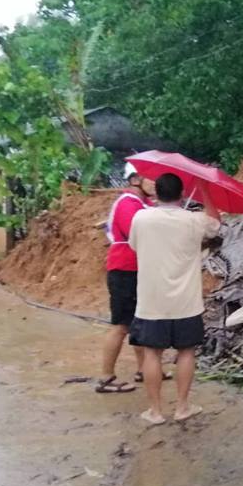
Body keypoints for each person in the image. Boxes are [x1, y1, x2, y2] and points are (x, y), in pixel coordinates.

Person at [128, 172, 220, 424]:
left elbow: (134, 246)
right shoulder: (194, 221)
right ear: (181, 194)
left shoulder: (141, 217)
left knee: (152, 354)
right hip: (186, 302)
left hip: (151, 301)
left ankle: (155, 411)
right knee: (186, 352)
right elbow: (216, 223)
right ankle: (182, 408)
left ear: (156, 192)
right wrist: (204, 190)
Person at [97, 163, 156, 394]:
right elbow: (138, 233)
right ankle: (106, 377)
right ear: (135, 180)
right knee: (121, 325)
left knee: (138, 321)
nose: (156, 183)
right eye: (151, 179)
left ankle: (144, 369)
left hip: (137, 269)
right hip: (125, 269)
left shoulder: (143, 203)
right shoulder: (128, 204)